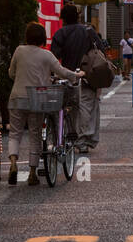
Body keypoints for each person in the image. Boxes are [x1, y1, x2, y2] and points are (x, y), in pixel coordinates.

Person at [7, 22, 82, 186]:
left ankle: (13, 163)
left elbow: (11, 73)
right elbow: (61, 71)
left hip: (16, 98)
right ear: (42, 39)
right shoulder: (46, 55)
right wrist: (76, 75)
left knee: (14, 134)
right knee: (34, 135)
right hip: (36, 99)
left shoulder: (19, 51)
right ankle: (33, 173)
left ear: (27, 37)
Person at [50, 4, 108, 152]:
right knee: (86, 108)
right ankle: (83, 141)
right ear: (78, 16)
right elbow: (101, 51)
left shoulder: (60, 34)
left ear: (63, 19)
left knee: (70, 108)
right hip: (88, 76)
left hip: (67, 76)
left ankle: (70, 136)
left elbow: (54, 58)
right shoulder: (89, 31)